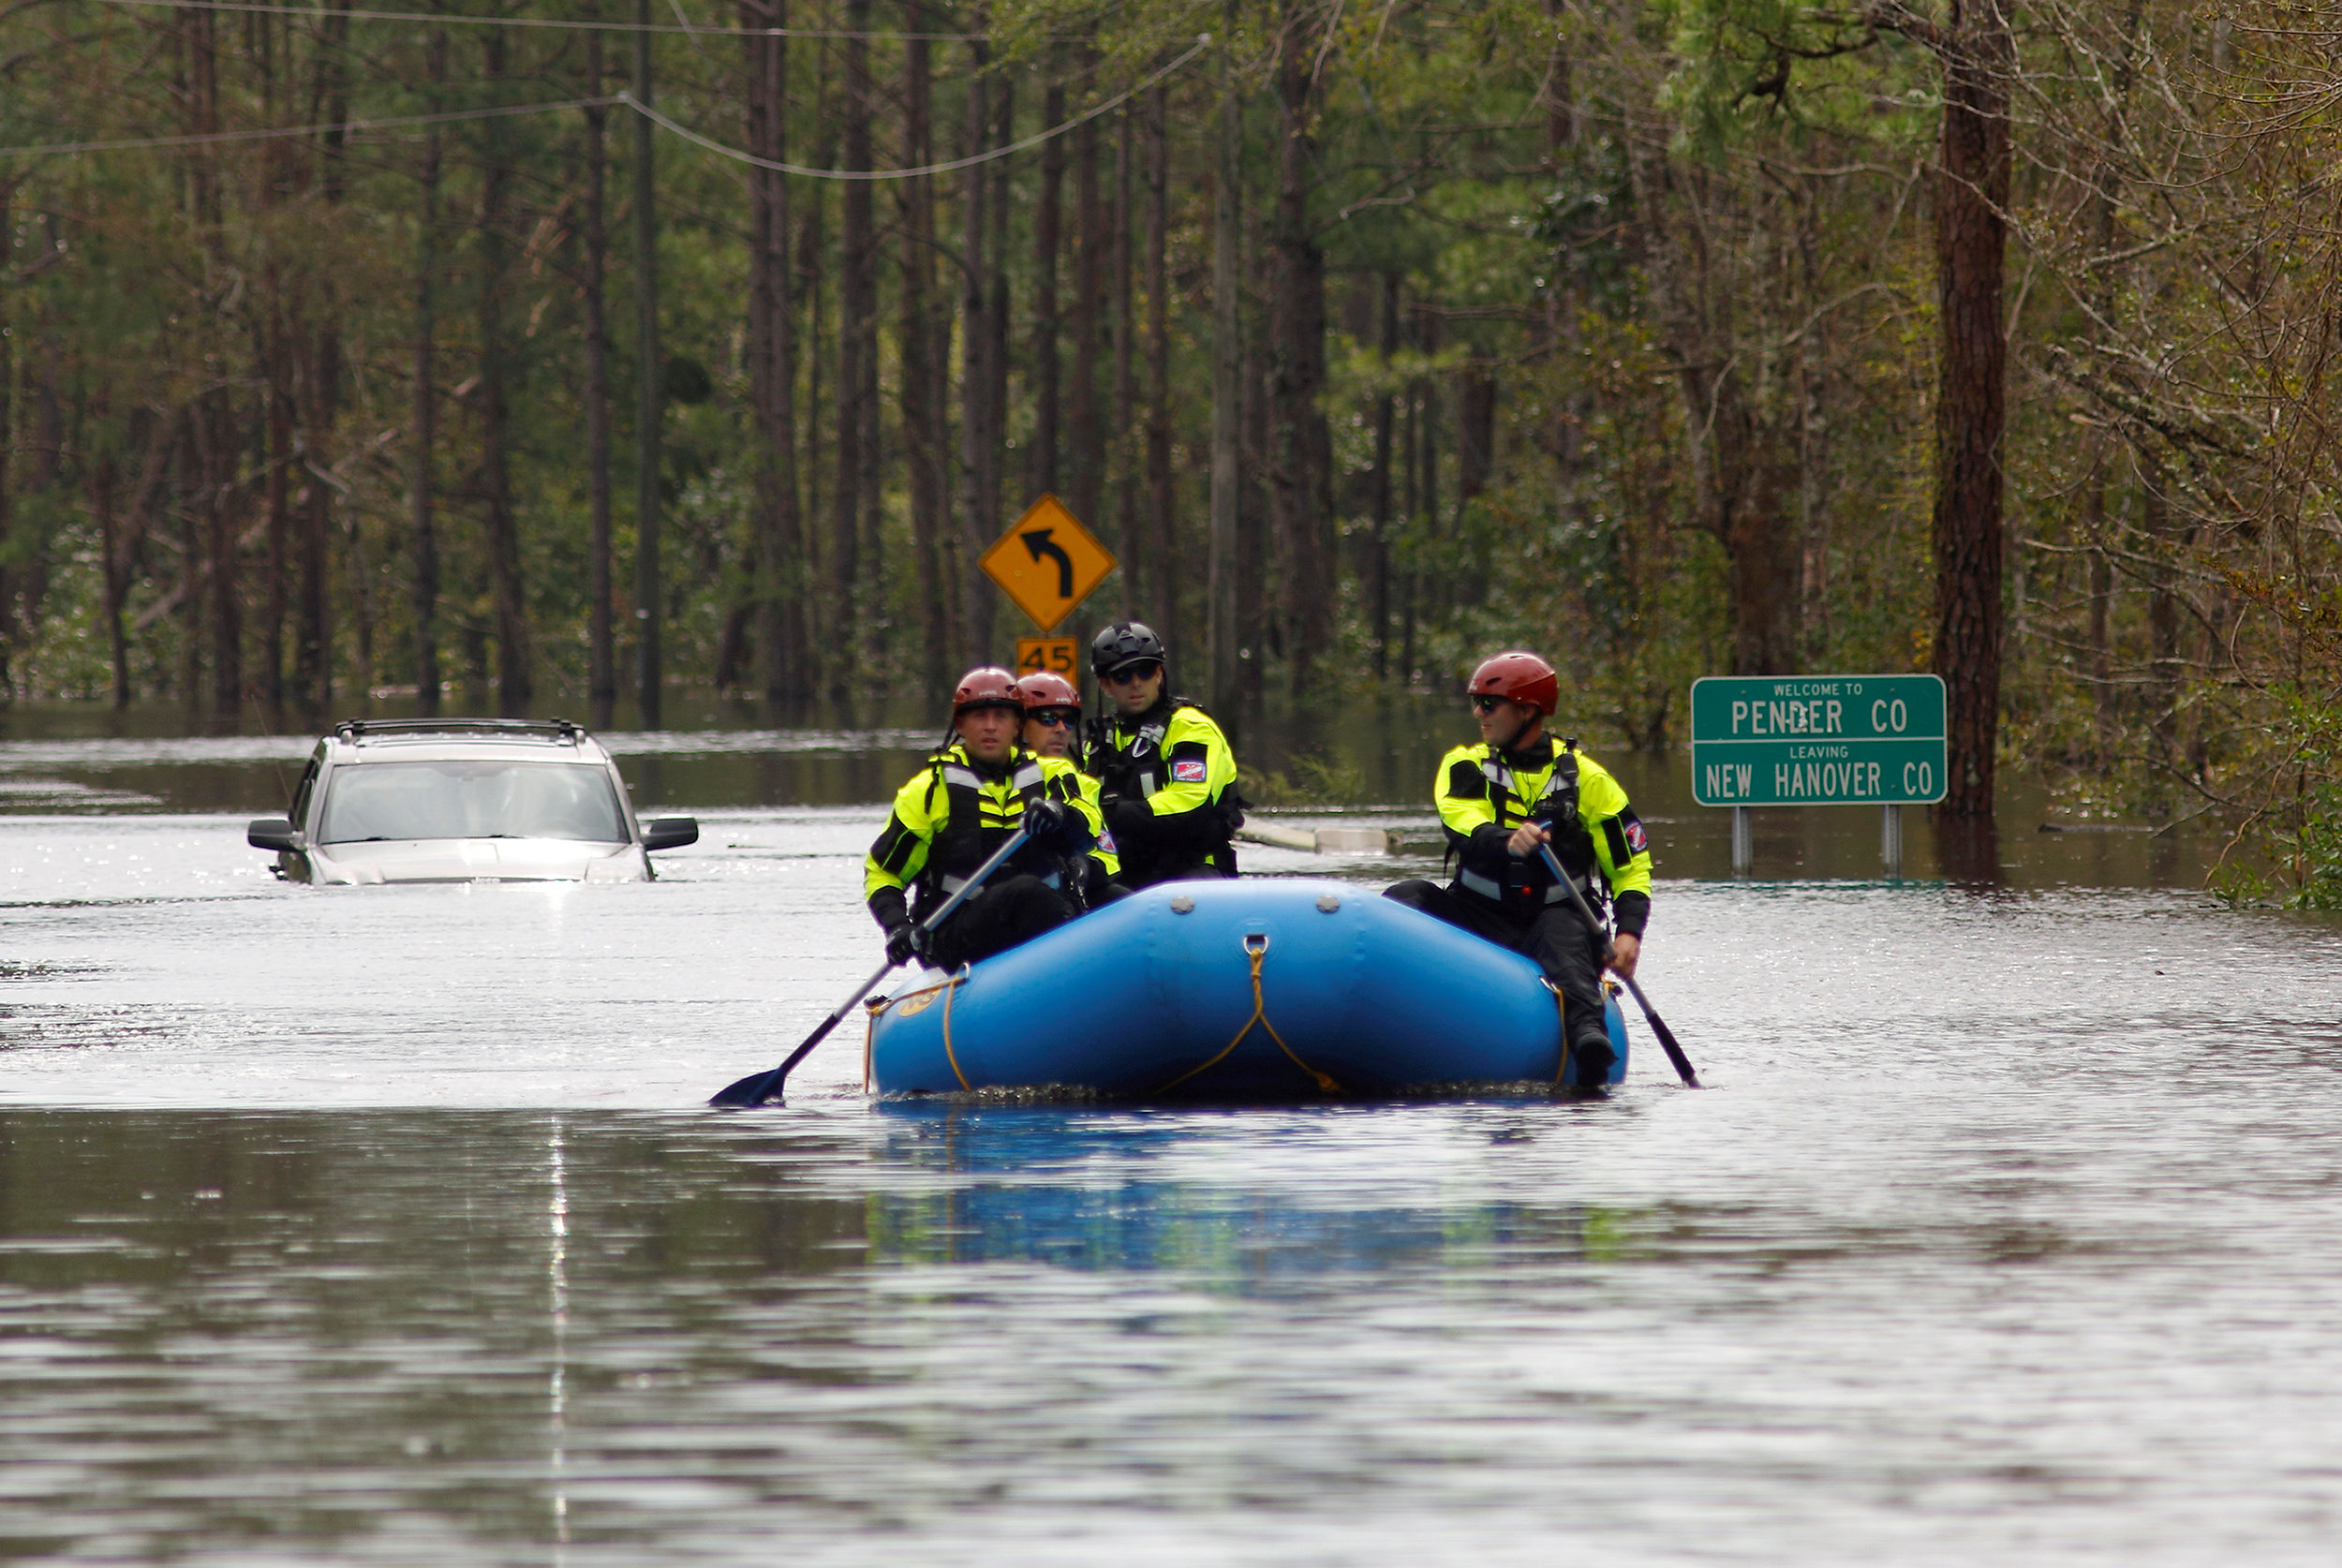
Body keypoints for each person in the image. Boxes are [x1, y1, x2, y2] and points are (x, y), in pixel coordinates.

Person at [1383, 651, 1653, 1090]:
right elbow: (1461, 819)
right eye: (1476, 703)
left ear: (1527, 711)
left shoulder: (1589, 779)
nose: (1478, 714)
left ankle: (1588, 1041)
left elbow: (1631, 865)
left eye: (1489, 704)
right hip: (1478, 913)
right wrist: (1506, 840)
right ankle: (1384, 1010)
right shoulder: (1465, 763)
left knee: (1563, 934)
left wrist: (1629, 934)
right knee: (1408, 896)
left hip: (1554, 916)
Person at [865, 667, 1104, 970]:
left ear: (1018, 724)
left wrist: (1062, 815)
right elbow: (883, 872)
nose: (990, 727)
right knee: (1026, 893)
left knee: (1044, 895)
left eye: (1001, 717)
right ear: (961, 724)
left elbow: (1089, 831)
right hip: (959, 935)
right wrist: (897, 926)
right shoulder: (928, 790)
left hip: (1043, 926)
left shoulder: (1053, 776)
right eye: (979, 717)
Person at [1083, 620, 1243, 889]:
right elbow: (1083, 799)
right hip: (1128, 874)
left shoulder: (1190, 727)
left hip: (1192, 869)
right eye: (1123, 676)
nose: (1136, 684)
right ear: (1105, 684)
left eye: (1145, 672)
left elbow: (1187, 804)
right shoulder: (1100, 740)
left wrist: (1113, 812)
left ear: (1159, 674)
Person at [1015, 669, 1120, 907]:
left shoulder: (1080, 781)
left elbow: (1108, 857)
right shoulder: (993, 775)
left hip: (1065, 896)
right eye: (1049, 718)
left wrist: (1084, 867)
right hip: (1008, 900)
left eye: (1069, 720)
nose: (1061, 728)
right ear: (1018, 724)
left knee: (1118, 896)